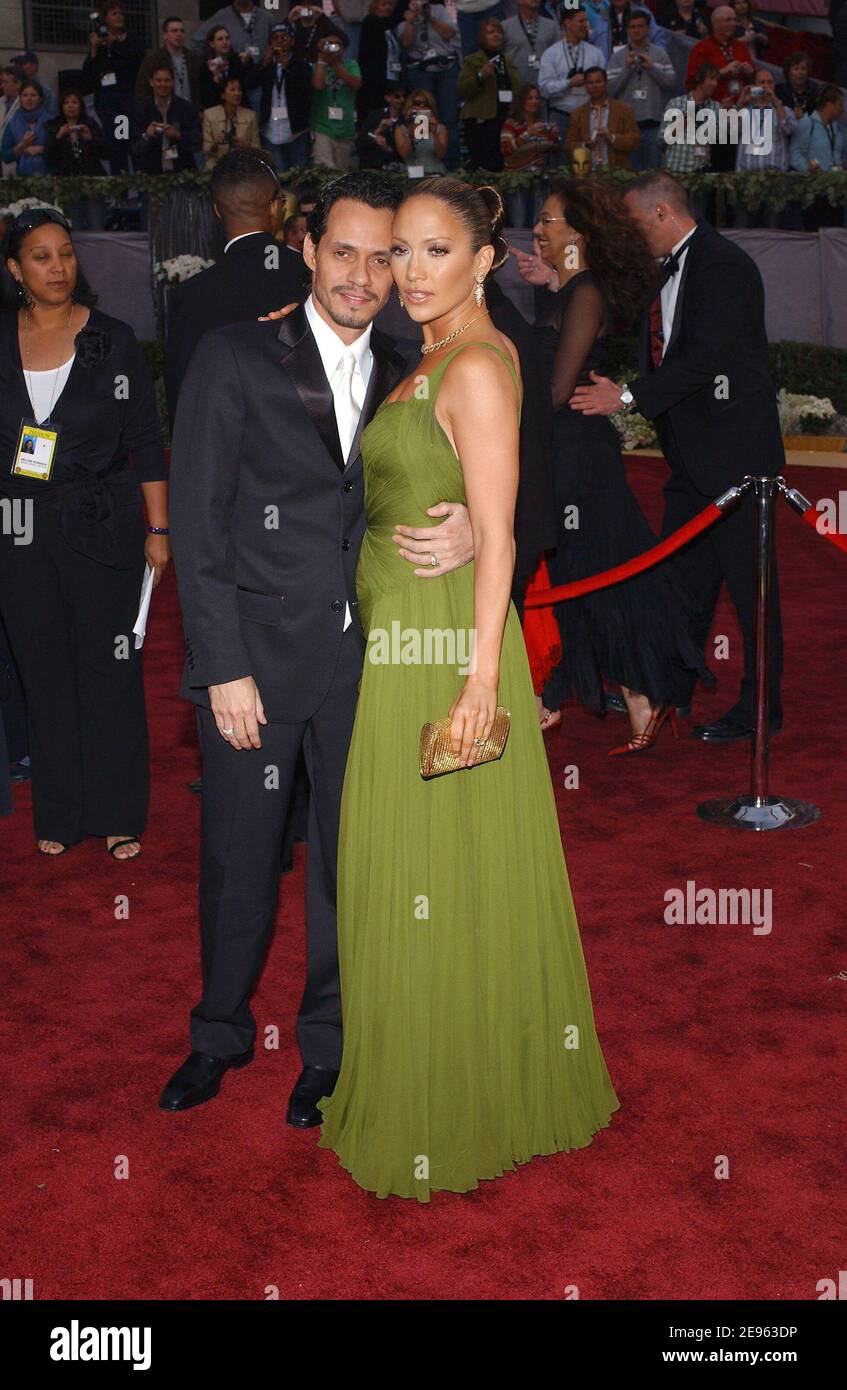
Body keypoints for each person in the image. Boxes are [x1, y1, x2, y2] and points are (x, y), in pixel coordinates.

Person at [310, 175, 618, 1200]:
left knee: (417, 867)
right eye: (399, 251)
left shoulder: (478, 364)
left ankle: (449, 1102)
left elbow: (500, 538)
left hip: (441, 651)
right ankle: (446, 1075)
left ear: (484, 260)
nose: (408, 272)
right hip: (399, 637)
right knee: (405, 870)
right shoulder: (426, 355)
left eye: (434, 251)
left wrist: (483, 679)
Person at [161, 172, 476, 1119]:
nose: (363, 273)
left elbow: (476, 459)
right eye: (344, 251)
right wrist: (220, 665)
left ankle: (327, 1048)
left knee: (351, 863)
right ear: (307, 250)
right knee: (239, 860)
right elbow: (199, 522)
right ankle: (219, 1031)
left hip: (370, 665)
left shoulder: (408, 366)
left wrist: (469, 527)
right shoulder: (234, 354)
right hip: (253, 661)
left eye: (383, 256)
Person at [571, 172, 785, 742]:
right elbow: (642, 337)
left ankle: (763, 708)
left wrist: (628, 397)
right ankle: (671, 693)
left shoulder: (725, 266)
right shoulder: (665, 270)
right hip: (690, 461)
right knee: (682, 586)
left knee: (751, 594)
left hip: (740, 465)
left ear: (662, 214)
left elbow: (704, 361)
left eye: (636, 226)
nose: (632, 237)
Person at [0, 208, 169, 858]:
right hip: (17, 532)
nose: (57, 267)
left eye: (65, 253)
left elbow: (146, 440)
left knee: (110, 669)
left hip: (102, 525)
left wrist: (160, 528)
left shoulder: (110, 339)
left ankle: (118, 811)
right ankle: (62, 812)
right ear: (16, 269)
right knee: (43, 671)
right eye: (40, 256)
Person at [527, 179, 709, 746]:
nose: (539, 228)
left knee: (598, 571)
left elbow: (557, 389)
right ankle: (558, 692)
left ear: (578, 234)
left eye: (551, 220)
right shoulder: (567, 290)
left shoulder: (585, 293)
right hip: (558, 450)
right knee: (568, 570)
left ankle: (636, 691)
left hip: (577, 454)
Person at [164, 152, 303, 429]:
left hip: (224, 452)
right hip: (306, 452)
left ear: (217, 210)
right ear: (275, 207)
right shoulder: (309, 275)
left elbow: (181, 397)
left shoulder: (191, 294)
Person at [607, 13, 677, 171]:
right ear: (628, 30)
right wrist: (626, 69)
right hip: (627, 126)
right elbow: (610, 91)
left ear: (648, 29)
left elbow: (671, 84)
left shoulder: (660, 54)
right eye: (632, 27)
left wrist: (651, 68)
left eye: (640, 26)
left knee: (653, 174)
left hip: (653, 124)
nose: (636, 30)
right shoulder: (617, 57)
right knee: (629, 175)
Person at [82, 3, 146, 175]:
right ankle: (121, 191)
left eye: (120, 13)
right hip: (108, 99)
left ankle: (141, 188)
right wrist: (94, 50)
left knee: (130, 140)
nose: (119, 16)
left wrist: (115, 43)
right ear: (105, 19)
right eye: (113, 14)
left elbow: (135, 61)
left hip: (125, 97)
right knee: (117, 143)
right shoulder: (101, 42)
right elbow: (89, 75)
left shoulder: (130, 39)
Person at [397, 1, 463, 168]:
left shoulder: (439, 10)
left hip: (445, 69)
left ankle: (450, 165)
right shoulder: (405, 14)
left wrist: (430, 17)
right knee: (422, 115)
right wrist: (411, 21)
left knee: (449, 117)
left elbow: (449, 33)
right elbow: (406, 42)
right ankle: (424, 162)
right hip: (420, 70)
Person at [458, 17, 522, 171]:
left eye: (499, 32)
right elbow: (462, 89)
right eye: (491, 32)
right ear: (482, 36)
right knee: (484, 165)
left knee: (500, 164)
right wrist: (480, 76)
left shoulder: (506, 60)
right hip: (481, 123)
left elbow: (517, 84)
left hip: (503, 120)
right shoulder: (472, 60)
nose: (496, 35)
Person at [253, 21, 313, 172]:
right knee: (277, 178)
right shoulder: (267, 63)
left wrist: (287, 69)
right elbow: (250, 82)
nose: (279, 41)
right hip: (270, 130)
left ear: (292, 41)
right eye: (275, 38)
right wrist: (265, 63)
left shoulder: (300, 64)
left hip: (295, 130)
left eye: (284, 38)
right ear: (270, 43)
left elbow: (305, 90)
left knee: (299, 176)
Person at [538, 7, 605, 142]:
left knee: (589, 160)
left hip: (589, 116)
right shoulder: (551, 53)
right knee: (560, 162)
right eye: (581, 21)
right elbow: (544, 89)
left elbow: (604, 84)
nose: (585, 24)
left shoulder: (595, 53)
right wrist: (568, 83)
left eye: (586, 21)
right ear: (567, 22)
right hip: (560, 116)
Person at [789, 86, 846, 231]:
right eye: (840, 104)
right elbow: (794, 153)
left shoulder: (839, 128)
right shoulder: (808, 124)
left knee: (835, 234)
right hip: (815, 191)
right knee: (815, 233)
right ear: (829, 104)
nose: (842, 109)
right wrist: (806, 166)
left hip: (836, 191)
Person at [565, 65, 640, 170]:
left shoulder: (624, 110)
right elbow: (568, 146)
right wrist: (584, 145)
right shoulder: (577, 114)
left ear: (606, 83)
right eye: (590, 83)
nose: (594, 86)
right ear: (585, 86)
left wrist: (612, 138)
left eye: (598, 82)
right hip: (588, 173)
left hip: (617, 173)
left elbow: (635, 141)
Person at [131, 64, 203, 174]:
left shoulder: (186, 108)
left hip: (183, 174)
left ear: (173, 82)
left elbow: (198, 140)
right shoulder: (141, 110)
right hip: (152, 177)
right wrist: (146, 136)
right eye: (158, 80)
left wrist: (178, 135)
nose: (163, 84)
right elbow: (134, 148)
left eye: (167, 80)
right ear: (151, 82)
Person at [310, 30, 362, 171]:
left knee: (341, 173)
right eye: (328, 44)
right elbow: (318, 85)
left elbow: (356, 84)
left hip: (345, 128)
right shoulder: (315, 66)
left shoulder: (351, 65)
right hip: (322, 127)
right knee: (325, 171)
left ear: (343, 49)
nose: (332, 47)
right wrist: (321, 59)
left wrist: (335, 64)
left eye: (336, 44)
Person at [661, 62, 720, 175]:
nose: (715, 84)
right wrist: (680, 125)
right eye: (711, 78)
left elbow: (719, 136)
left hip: (701, 171)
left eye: (717, 80)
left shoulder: (715, 107)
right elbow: (663, 138)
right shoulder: (676, 103)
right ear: (699, 78)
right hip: (676, 169)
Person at [135, 15, 203, 109]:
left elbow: (200, 87)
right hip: (164, 110)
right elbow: (142, 89)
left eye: (182, 31)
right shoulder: (154, 59)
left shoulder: (193, 58)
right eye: (174, 31)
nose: (179, 34)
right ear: (165, 35)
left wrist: (200, 108)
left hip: (191, 111)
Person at [357, 0, 407, 121]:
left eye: (390, 5)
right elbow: (388, 21)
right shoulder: (371, 21)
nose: (387, 8)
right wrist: (404, 13)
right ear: (375, 6)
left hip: (390, 75)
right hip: (373, 78)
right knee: (373, 112)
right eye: (383, 4)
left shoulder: (390, 29)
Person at [44, 89, 110, 176]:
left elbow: (106, 153)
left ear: (81, 106)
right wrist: (58, 137)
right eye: (66, 103)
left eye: (74, 102)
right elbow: (48, 157)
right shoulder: (54, 126)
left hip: (91, 176)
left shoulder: (90, 124)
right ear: (61, 107)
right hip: (64, 177)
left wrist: (90, 139)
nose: (70, 106)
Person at [202, 77, 260, 168]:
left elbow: (258, 149)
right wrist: (215, 144)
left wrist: (246, 145)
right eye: (232, 90)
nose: (237, 93)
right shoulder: (209, 115)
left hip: (244, 166)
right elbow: (206, 149)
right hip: (217, 166)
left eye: (239, 90)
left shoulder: (251, 115)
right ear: (223, 95)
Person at [502, 0, 560, 90]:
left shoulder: (551, 26)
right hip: (516, 88)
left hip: (544, 88)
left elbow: (559, 56)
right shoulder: (505, 27)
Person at [198, 24, 255, 110]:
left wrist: (247, 64)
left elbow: (249, 84)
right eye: (220, 39)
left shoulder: (237, 60)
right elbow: (205, 96)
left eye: (227, 38)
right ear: (212, 44)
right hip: (216, 111)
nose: (225, 42)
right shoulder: (206, 66)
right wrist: (215, 77)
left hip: (239, 110)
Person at [591, 0, 667, 63]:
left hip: (640, 70)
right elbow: (594, 48)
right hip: (611, 71)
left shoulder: (644, 14)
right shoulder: (600, 18)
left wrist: (650, 60)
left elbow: (659, 42)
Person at [0, 80, 50, 175]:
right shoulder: (13, 122)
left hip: (49, 177)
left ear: (40, 99)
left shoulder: (51, 121)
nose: (28, 99)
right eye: (25, 95)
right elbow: (5, 156)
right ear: (20, 98)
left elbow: (60, 152)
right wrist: (22, 146)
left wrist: (42, 149)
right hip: (22, 179)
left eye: (33, 95)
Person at [395, 90, 449, 171]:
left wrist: (434, 132)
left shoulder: (440, 128)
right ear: (410, 106)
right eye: (417, 103)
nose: (421, 106)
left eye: (426, 104)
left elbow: (441, 155)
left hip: (435, 173)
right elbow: (405, 155)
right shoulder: (401, 129)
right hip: (411, 174)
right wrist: (411, 128)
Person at [356, 82, 406, 169]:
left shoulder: (406, 119)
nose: (401, 100)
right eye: (397, 96)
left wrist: (388, 149)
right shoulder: (375, 115)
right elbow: (361, 139)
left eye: (404, 96)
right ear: (387, 98)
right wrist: (378, 131)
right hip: (373, 165)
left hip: (397, 166)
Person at [10, 51, 57, 118]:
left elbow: (52, 118)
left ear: (34, 66)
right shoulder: (12, 88)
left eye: (22, 64)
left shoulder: (46, 92)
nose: (18, 67)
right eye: (16, 64)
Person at [775, 52, 816, 122]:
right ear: (788, 72)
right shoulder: (779, 91)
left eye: (803, 69)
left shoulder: (815, 91)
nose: (800, 72)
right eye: (796, 69)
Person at [0, 68, 22, 175]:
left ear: (17, 84)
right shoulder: (1, 102)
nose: (2, 86)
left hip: (14, 160)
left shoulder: (24, 105)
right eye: (1, 82)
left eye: (5, 82)